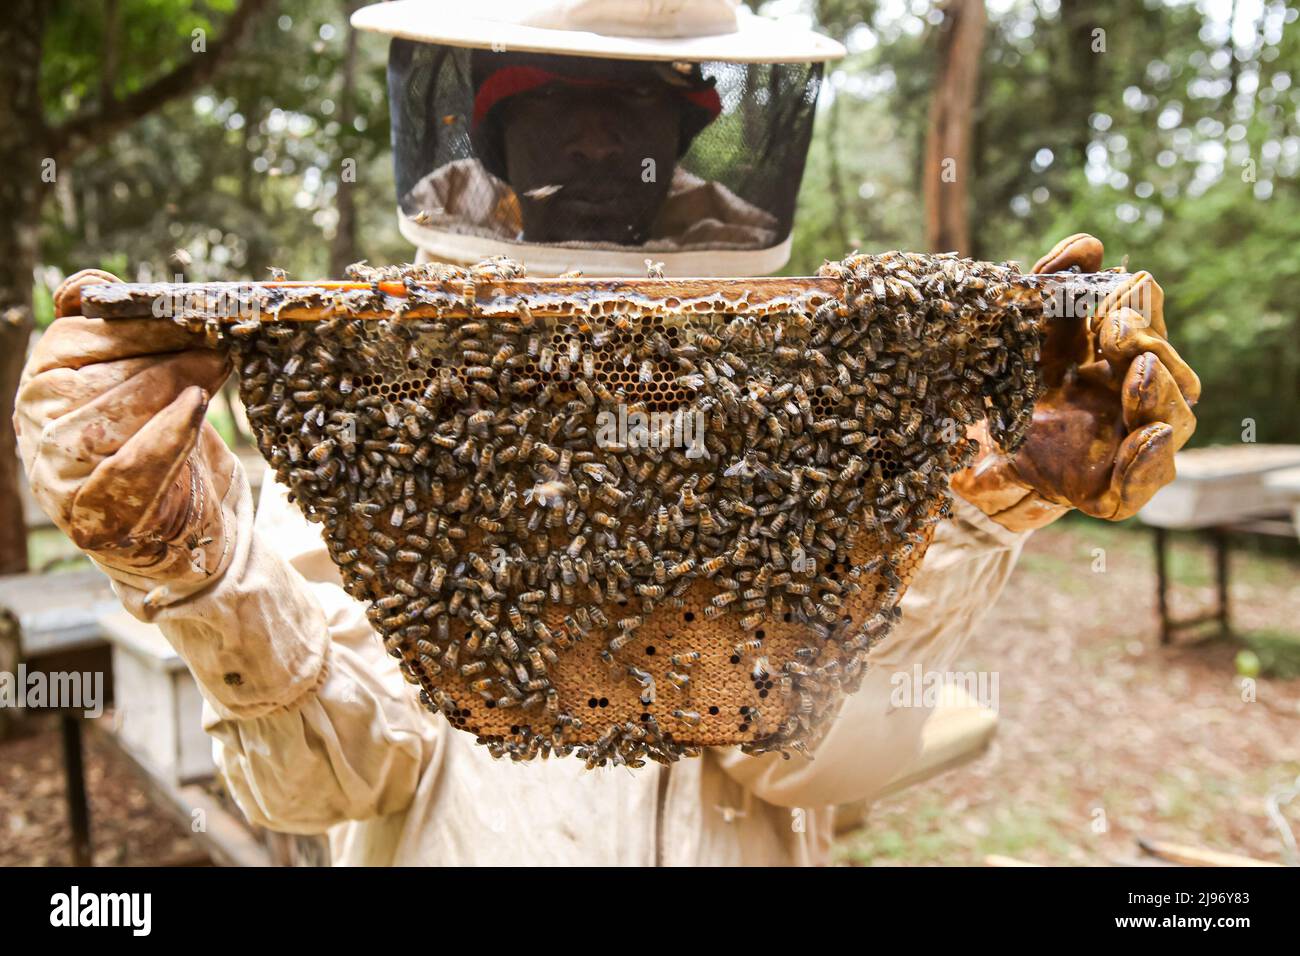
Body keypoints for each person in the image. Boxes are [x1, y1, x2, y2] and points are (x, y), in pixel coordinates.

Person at [14, 0, 1199, 866]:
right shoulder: (385, 374)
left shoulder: (811, 365)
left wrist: (974, 503)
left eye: (627, 103)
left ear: (693, 120)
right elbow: (332, 777)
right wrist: (205, 569)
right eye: (550, 102)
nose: (592, 143)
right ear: (480, 120)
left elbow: (799, 739)